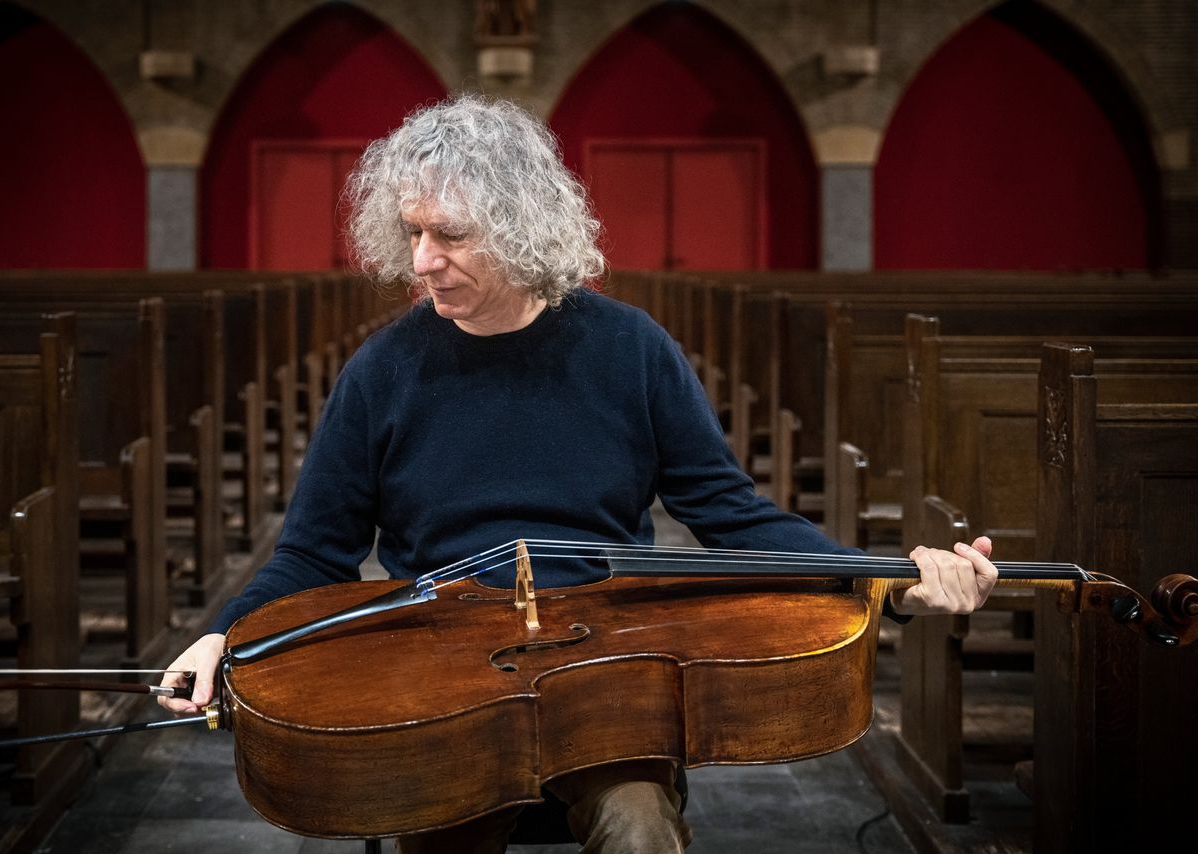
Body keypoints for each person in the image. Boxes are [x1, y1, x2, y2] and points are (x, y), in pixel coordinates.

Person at [160, 94, 998, 853]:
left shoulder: (629, 349)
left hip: (608, 668)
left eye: (448, 235)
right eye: (412, 232)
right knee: (434, 823)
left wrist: (893, 583)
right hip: (438, 670)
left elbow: (735, 517)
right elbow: (312, 551)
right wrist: (224, 634)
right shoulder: (383, 371)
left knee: (637, 825)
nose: (420, 260)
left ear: (518, 227)